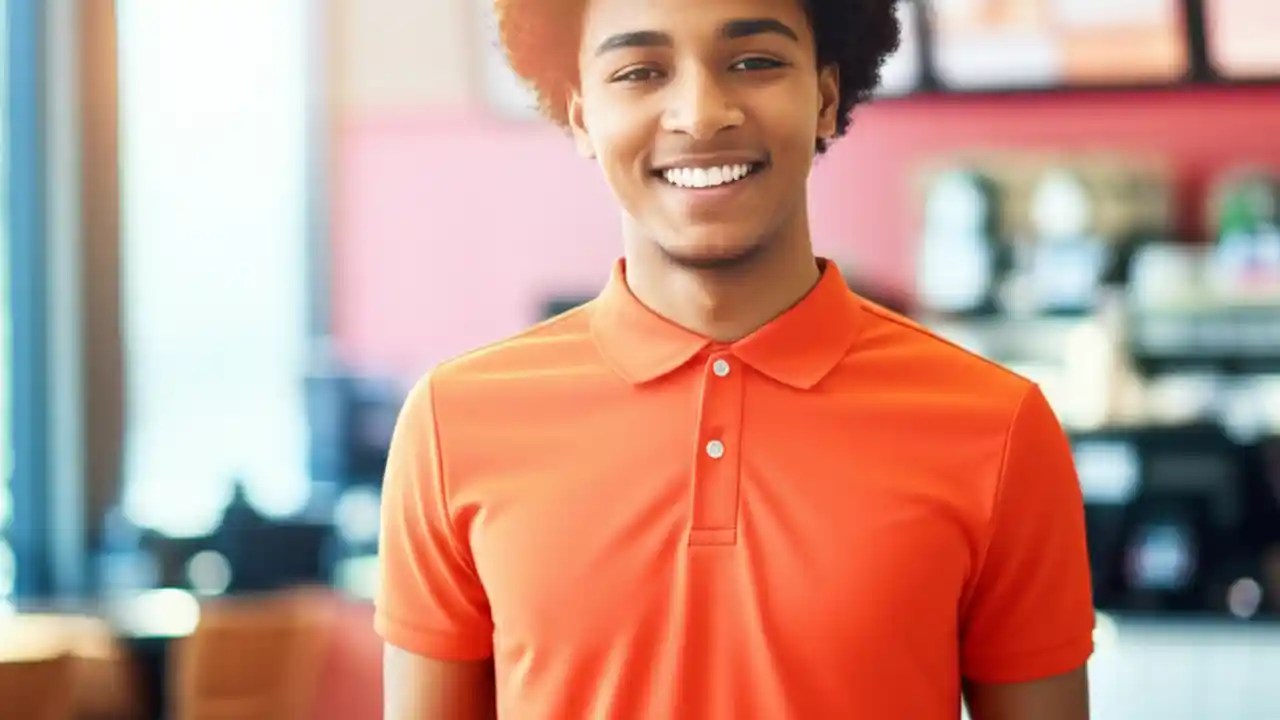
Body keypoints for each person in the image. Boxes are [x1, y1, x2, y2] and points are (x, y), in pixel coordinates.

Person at [376, 0, 1094, 717]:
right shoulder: (452, 425)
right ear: (579, 113)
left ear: (824, 95)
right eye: (639, 71)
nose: (700, 112)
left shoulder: (998, 428)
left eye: (754, 62)